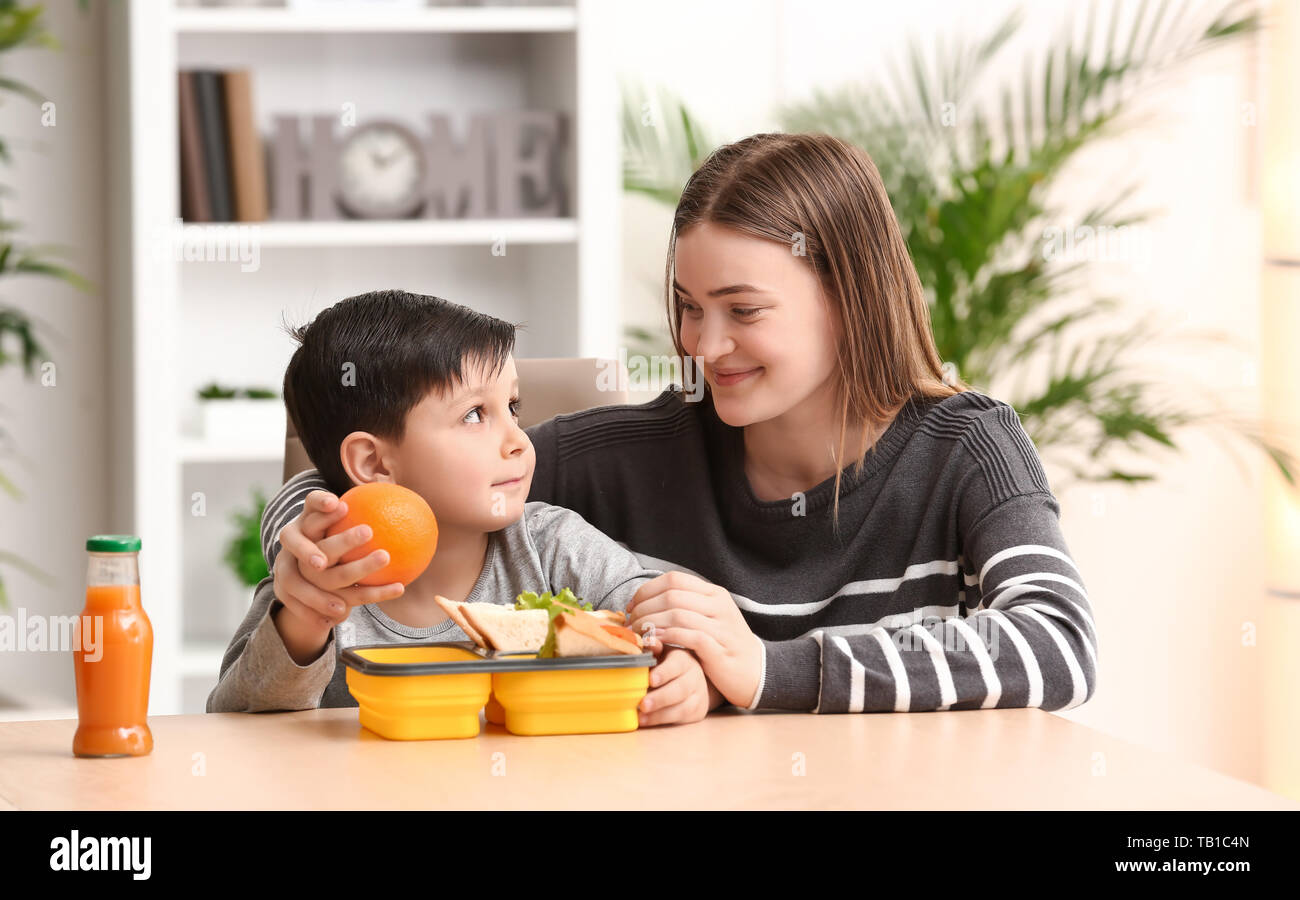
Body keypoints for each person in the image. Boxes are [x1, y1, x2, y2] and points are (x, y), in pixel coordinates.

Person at [262, 132, 1098, 715]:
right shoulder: (632, 453)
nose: (706, 345)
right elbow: (369, 477)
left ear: (851, 297)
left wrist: (769, 669)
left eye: (744, 309)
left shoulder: (967, 448)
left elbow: (1058, 645)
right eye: (691, 308)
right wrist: (309, 549)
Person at [208, 290, 710, 724]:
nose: (518, 441)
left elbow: (655, 610)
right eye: (474, 415)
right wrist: (305, 622)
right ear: (374, 462)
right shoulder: (317, 581)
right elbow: (236, 721)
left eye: (512, 408)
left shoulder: (551, 545)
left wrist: (681, 664)